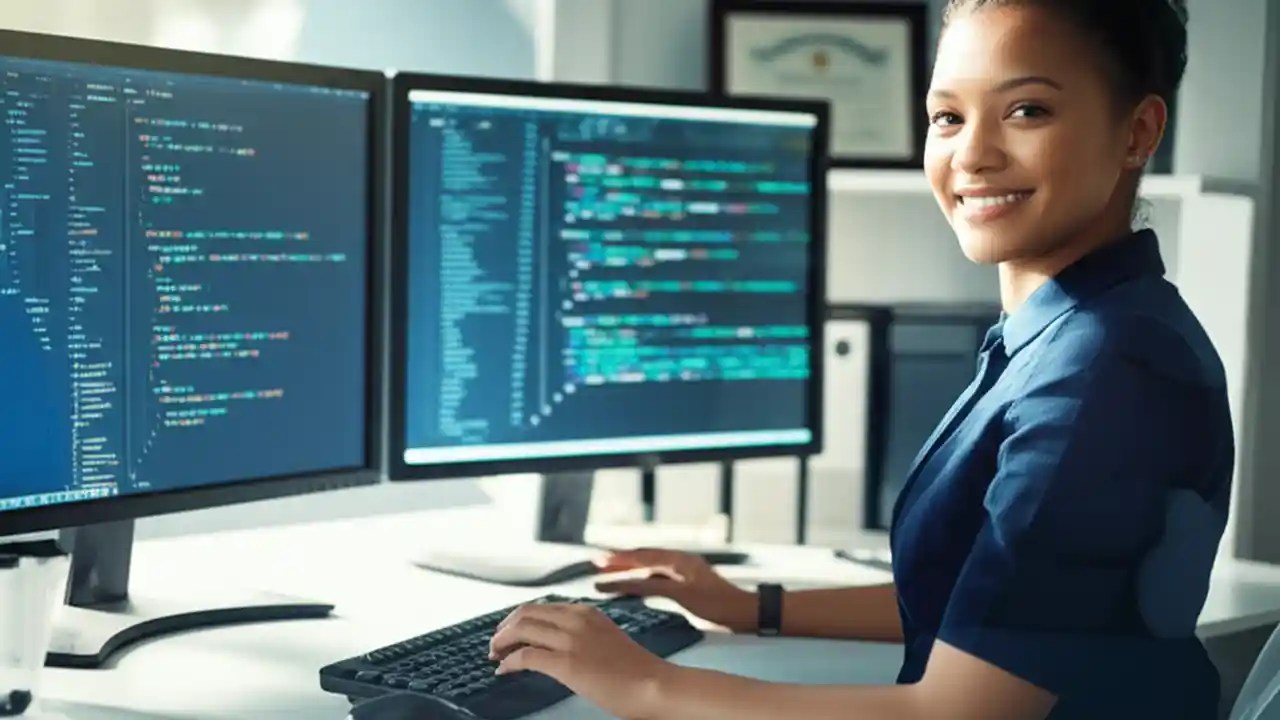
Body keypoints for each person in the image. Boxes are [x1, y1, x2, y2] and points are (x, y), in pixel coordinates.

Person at [488, 0, 1236, 717]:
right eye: (947, 117)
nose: (971, 154)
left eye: (1026, 110)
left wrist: (645, 688)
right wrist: (753, 607)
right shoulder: (1070, 335)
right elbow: (995, 602)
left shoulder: (1104, 374)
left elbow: (957, 714)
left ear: (1138, 132)